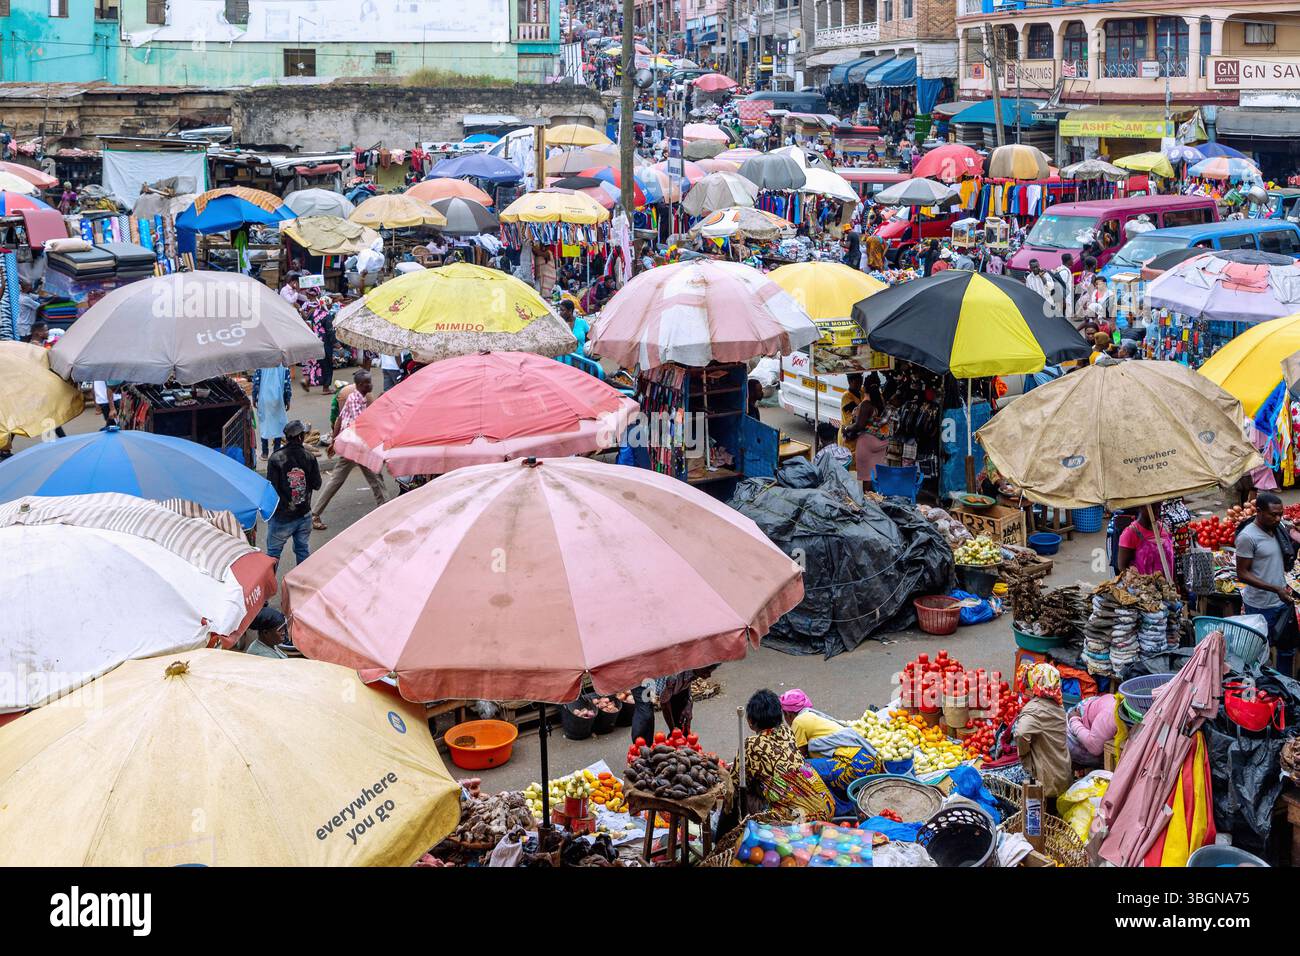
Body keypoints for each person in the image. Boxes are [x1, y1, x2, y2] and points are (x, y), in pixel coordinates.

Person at [728, 690, 836, 819]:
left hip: (804, 818)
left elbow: (734, 782)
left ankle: (733, 834)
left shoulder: (752, 744)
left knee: (742, 795)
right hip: (828, 805)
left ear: (750, 721)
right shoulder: (787, 732)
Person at [779, 689, 880, 816]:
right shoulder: (813, 715)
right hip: (870, 762)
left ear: (787, 714)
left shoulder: (798, 721)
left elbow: (798, 758)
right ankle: (845, 803)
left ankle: (842, 809)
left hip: (855, 766)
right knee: (817, 767)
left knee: (801, 769)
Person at [311, 370, 388, 530]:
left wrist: (333, 440)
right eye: (368, 382)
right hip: (355, 446)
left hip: (354, 445)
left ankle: (385, 509)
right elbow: (362, 423)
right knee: (373, 476)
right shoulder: (354, 399)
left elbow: (340, 418)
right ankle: (386, 510)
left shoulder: (360, 398)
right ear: (360, 385)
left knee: (370, 477)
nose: (371, 384)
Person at [1235, 491, 1298, 676]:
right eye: (1273, 514)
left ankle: (1286, 686)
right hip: (1260, 606)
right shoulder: (1248, 537)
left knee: (1287, 650)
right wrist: (1274, 588)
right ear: (1259, 511)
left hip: (1281, 602)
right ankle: (1264, 688)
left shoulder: (1278, 529)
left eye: (1280, 514)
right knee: (1260, 654)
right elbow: (1242, 573)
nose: (1278, 518)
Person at [265, 420, 321, 569]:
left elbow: (271, 490)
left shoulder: (275, 459)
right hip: (304, 515)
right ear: (301, 437)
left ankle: (267, 589)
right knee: (302, 550)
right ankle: (302, 586)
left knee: (272, 555)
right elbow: (317, 484)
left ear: (286, 438)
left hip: (282, 517)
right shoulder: (309, 457)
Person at [1012, 662, 1072, 799]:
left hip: (1047, 781)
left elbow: (1021, 733)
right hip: (1063, 773)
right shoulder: (1058, 705)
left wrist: (1025, 756)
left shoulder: (1035, 709)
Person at [1116, 505, 1174, 575]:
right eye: (1153, 507)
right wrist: (1141, 581)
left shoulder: (1164, 527)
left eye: (1159, 506)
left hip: (1169, 584)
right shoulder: (1130, 533)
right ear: (1140, 507)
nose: (1157, 510)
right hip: (1146, 585)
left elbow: (1171, 561)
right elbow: (1122, 567)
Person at [1066, 693, 1118, 768]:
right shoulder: (1110, 715)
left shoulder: (1110, 714)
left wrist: (1074, 720)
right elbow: (1094, 747)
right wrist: (1074, 720)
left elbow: (1094, 747)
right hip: (1076, 727)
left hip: (1080, 721)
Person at [252, 365, 291, 460]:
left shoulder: (261, 364)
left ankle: (265, 452)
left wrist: (254, 397)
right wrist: (288, 399)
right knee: (278, 425)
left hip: (264, 399)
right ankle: (276, 450)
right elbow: (287, 384)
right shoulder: (284, 366)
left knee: (265, 424)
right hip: (278, 399)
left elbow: (256, 382)